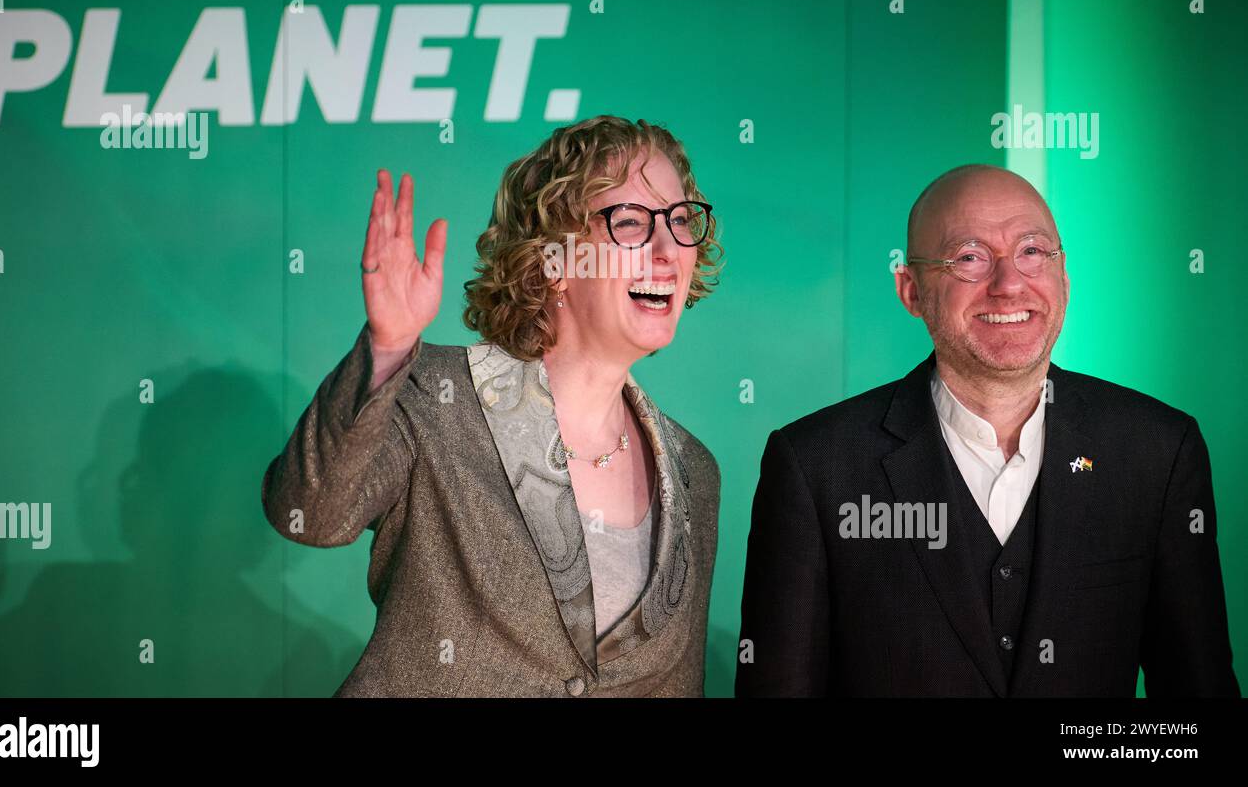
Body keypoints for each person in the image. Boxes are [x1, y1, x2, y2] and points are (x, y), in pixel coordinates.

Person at [736, 163, 1238, 697]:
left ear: (1063, 277)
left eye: (1031, 252)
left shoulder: (1158, 451)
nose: (1008, 284)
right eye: (969, 258)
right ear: (911, 290)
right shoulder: (817, 467)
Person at [263, 116, 723, 696]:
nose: (667, 251)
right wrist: (387, 349)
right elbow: (308, 513)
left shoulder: (694, 471)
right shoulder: (434, 395)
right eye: (630, 223)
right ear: (554, 260)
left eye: (681, 222)